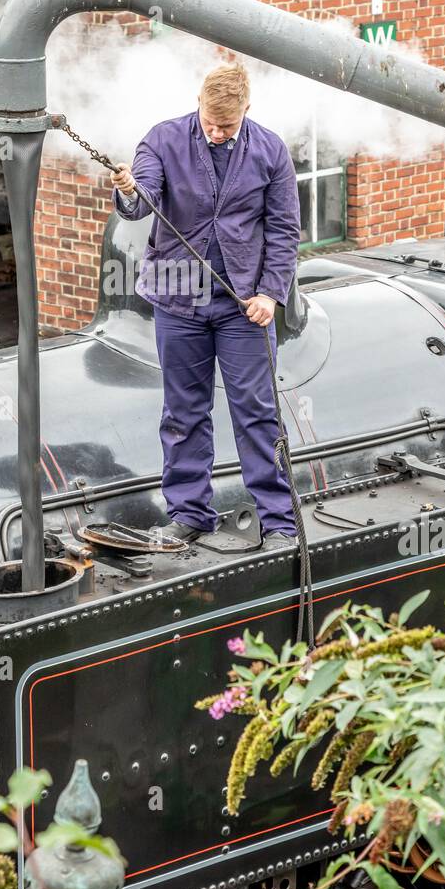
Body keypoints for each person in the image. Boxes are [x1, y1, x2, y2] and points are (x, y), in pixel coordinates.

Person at [111, 62, 301, 548]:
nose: (216, 134)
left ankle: (279, 520)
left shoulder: (272, 150)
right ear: (198, 102)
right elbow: (143, 201)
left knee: (257, 413)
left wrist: (271, 293)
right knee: (182, 412)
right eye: (209, 123)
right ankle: (190, 513)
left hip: (245, 308)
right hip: (179, 302)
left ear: (247, 111)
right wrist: (128, 190)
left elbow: (283, 231)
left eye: (227, 126)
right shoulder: (161, 140)